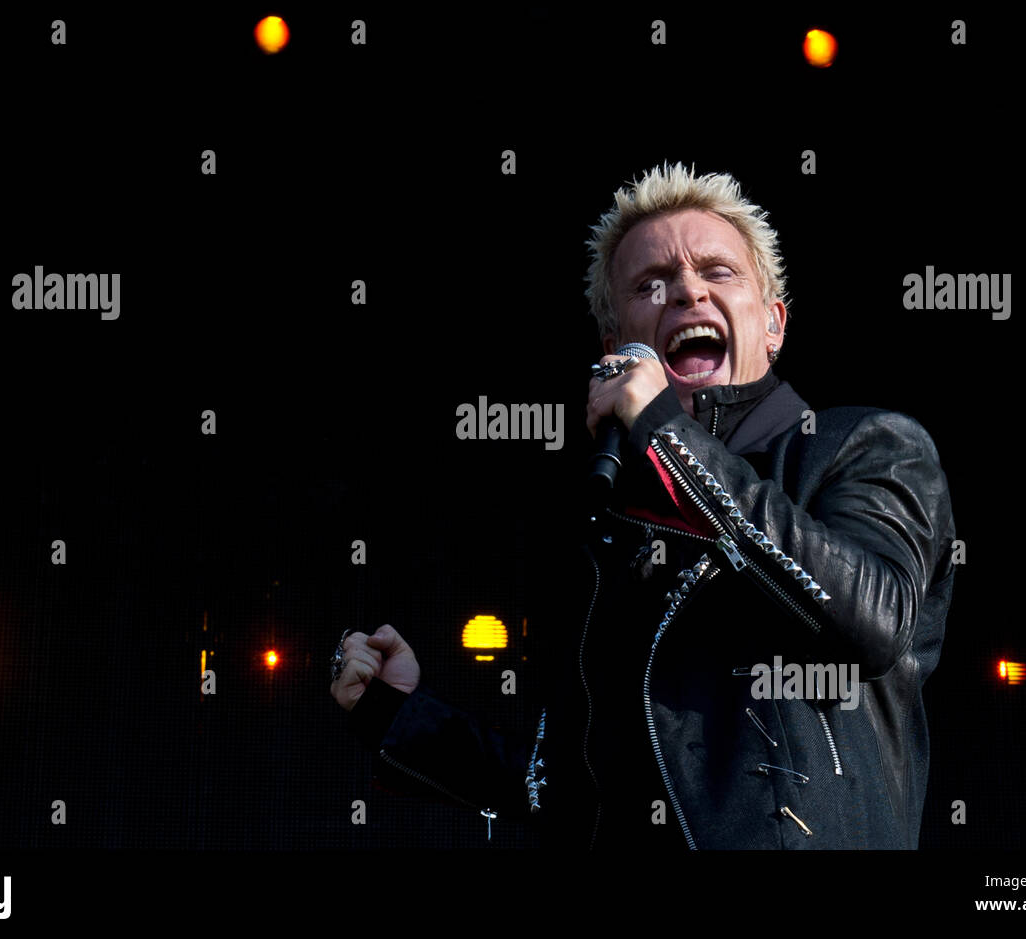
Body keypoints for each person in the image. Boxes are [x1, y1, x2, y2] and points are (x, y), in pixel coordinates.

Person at [330, 162, 956, 849]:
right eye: (651, 284)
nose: (687, 290)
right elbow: (565, 786)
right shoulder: (610, 536)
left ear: (773, 324)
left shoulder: (863, 445)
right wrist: (400, 717)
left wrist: (665, 433)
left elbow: (871, 619)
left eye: (718, 273)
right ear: (615, 347)